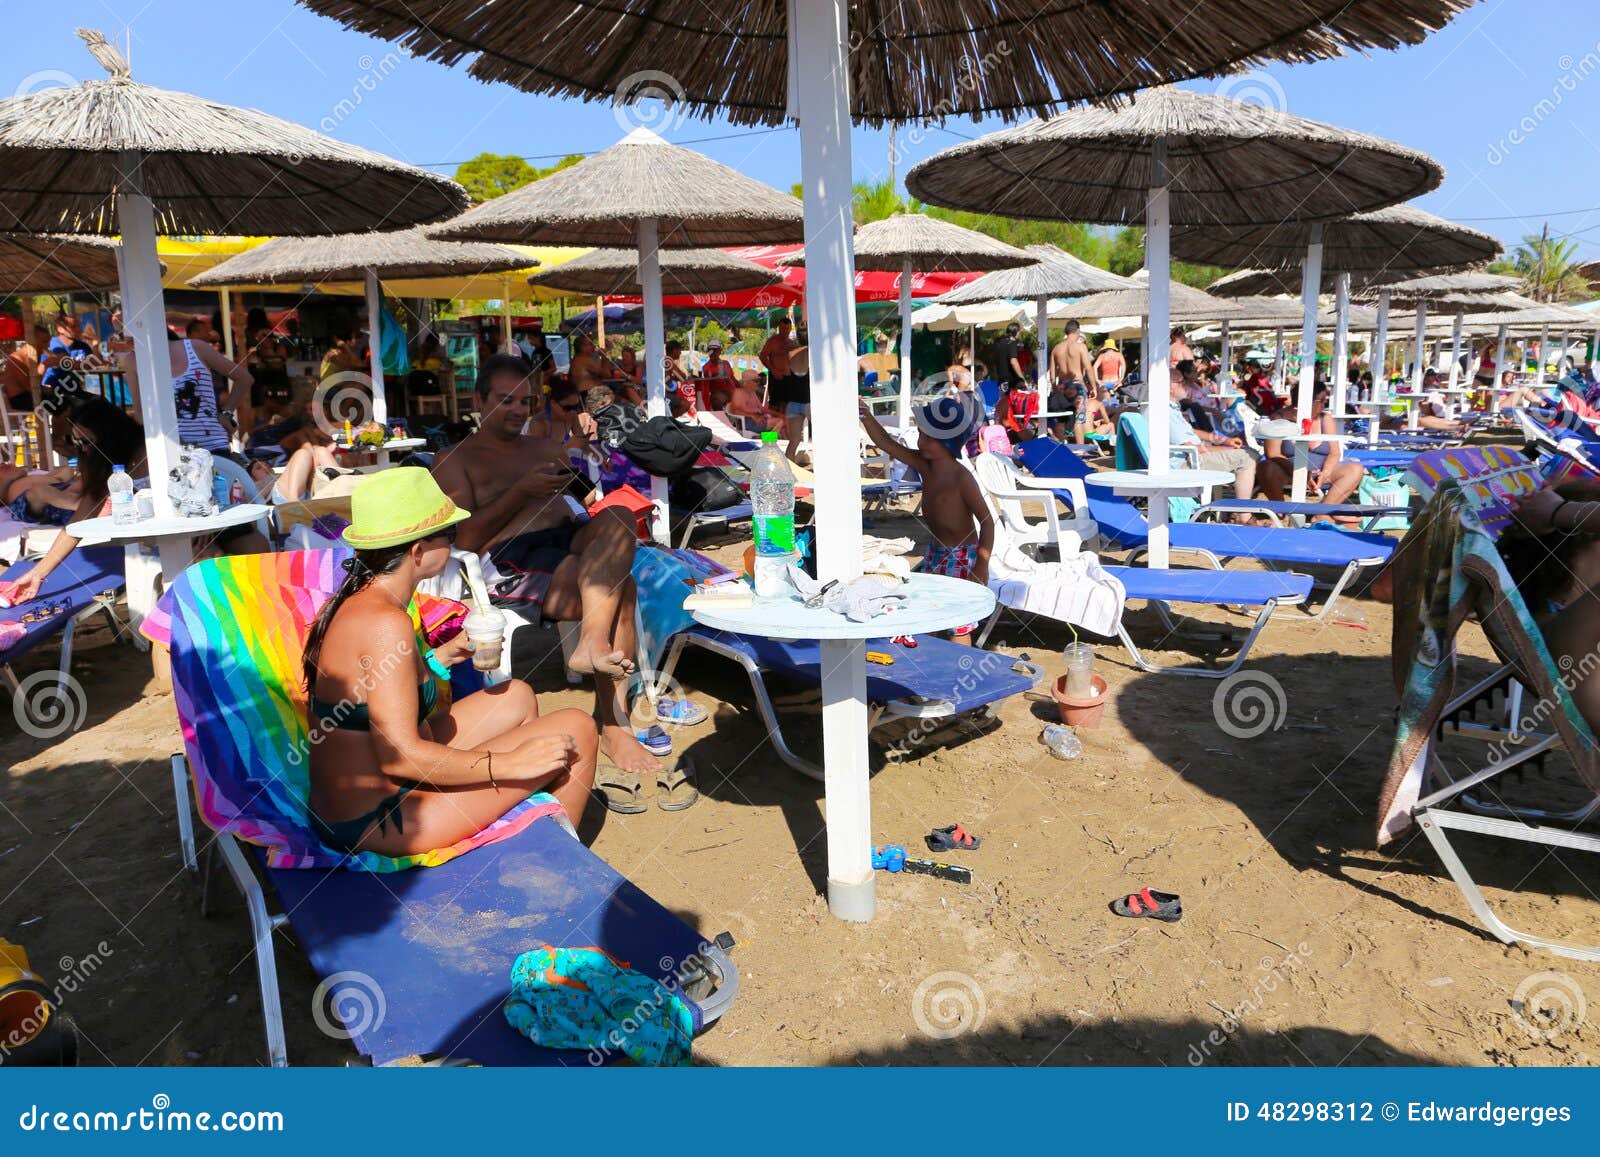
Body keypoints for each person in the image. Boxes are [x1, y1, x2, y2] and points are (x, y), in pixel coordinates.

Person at [432, 355, 693, 803]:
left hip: (571, 543)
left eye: (526, 401)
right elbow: (463, 540)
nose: (518, 410)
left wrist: (580, 477)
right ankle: (614, 724)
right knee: (622, 587)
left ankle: (592, 646)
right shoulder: (455, 460)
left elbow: (583, 500)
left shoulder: (543, 446)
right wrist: (520, 493)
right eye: (505, 400)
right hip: (511, 561)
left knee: (616, 513)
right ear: (478, 400)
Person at [301, 468, 599, 853]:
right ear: (418, 551)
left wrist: (439, 659)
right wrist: (508, 763)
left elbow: (374, 692)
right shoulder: (385, 623)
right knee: (577, 727)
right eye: (450, 535)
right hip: (381, 819)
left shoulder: (361, 600)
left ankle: (521, 827)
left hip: (359, 799)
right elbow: (399, 758)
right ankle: (552, 867)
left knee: (517, 695)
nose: (458, 542)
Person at [858, 398, 991, 640]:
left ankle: (958, 667)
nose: (922, 441)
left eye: (930, 438)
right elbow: (885, 443)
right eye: (921, 434)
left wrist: (981, 564)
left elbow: (987, 521)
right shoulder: (924, 464)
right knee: (927, 613)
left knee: (958, 623)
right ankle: (930, 664)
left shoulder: (961, 478)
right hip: (935, 553)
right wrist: (866, 415)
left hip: (962, 557)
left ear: (949, 443)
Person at [5, 397, 149, 604]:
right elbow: (76, 524)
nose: (83, 449)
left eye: (87, 442)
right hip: (147, 543)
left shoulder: (150, 449)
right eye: (77, 442)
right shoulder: (105, 466)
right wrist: (38, 573)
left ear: (109, 434)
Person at [117, 327, 253, 461]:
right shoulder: (133, 360)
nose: (128, 341)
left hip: (213, 445)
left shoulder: (196, 348)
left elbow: (244, 379)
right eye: (125, 336)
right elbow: (140, 412)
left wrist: (226, 413)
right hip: (170, 452)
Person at [1257, 382, 1366, 517]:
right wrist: (1300, 473)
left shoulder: (1325, 418)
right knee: (1266, 468)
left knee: (1355, 469)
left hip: (1320, 471)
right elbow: (1272, 454)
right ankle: (1281, 511)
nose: (1324, 405)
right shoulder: (1279, 418)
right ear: (1308, 400)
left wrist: (1325, 472)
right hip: (1287, 471)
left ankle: (1321, 513)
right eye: (1323, 401)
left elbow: (1334, 452)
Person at [1164, 366, 1257, 503]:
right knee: (1248, 457)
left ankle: (1225, 506)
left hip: (1192, 456)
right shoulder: (1165, 411)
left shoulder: (1171, 407)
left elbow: (1189, 432)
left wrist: (1222, 440)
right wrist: (1224, 448)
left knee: (1248, 452)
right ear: (1170, 386)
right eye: (1182, 382)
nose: (1186, 386)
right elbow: (1193, 449)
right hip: (1186, 463)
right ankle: (1243, 514)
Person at [1049, 321, 1096, 443]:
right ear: (1078, 331)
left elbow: (1052, 373)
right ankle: (1080, 450)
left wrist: (1054, 387)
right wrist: (1093, 386)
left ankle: (1062, 449)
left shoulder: (1056, 349)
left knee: (1061, 419)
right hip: (1077, 386)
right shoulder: (1080, 347)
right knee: (1078, 419)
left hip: (1062, 387)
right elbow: (1088, 368)